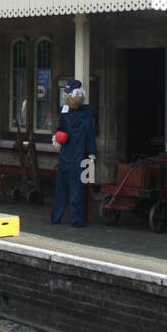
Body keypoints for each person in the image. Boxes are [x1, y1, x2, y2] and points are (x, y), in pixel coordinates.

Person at [50, 79, 96, 227]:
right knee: (61, 187)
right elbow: (60, 127)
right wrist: (56, 136)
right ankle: (56, 218)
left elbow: (90, 133)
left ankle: (77, 220)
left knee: (78, 187)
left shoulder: (88, 112)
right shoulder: (65, 110)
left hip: (80, 154)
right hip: (66, 153)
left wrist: (91, 153)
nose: (66, 97)